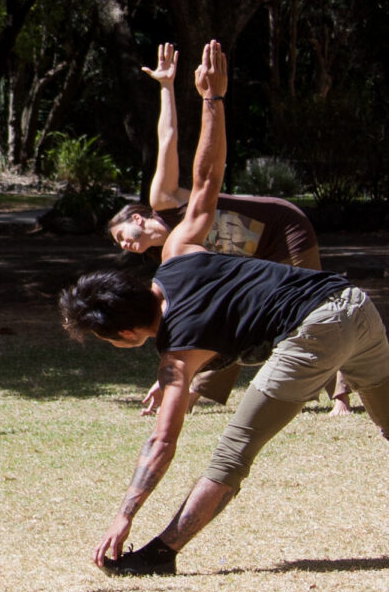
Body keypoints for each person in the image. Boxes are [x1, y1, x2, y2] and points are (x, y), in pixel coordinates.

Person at [59, 42, 389, 575]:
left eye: (111, 341)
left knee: (235, 448)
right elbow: (206, 182)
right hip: (354, 304)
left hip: (315, 329)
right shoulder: (177, 253)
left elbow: (162, 441)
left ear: (128, 331)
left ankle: (161, 554)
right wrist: (213, 100)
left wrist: (125, 513)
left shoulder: (177, 356)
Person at [108, 42, 336, 417]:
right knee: (224, 315)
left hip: (281, 228)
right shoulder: (169, 258)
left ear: (136, 219)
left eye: (122, 237)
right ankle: (199, 392)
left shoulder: (164, 201)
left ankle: (339, 395)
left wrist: (167, 88)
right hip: (246, 259)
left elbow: (168, 140)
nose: (125, 247)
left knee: (314, 308)